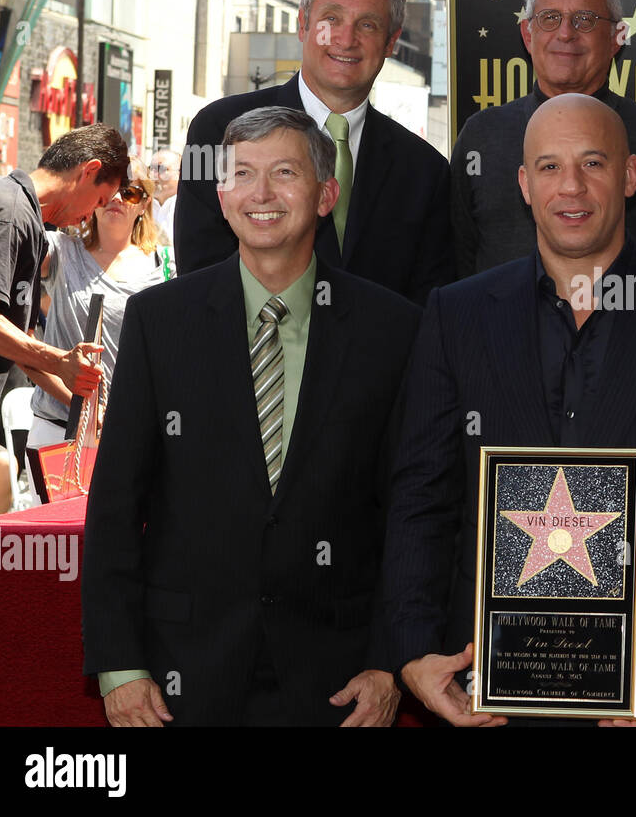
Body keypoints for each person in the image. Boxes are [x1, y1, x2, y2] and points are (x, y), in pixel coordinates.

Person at [384, 94, 636, 727]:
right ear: (522, 184)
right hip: (483, 688)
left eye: (594, 163)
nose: (571, 186)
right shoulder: (456, 316)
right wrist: (414, 652)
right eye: (548, 166)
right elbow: (420, 498)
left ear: (630, 176)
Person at [82, 107, 422, 726]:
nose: (261, 194)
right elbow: (114, 505)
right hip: (182, 676)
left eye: (285, 172)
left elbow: (411, 510)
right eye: (243, 174)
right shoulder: (160, 323)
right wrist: (120, 666)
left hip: (339, 684)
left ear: (325, 195)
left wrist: (389, 661)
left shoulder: (392, 329)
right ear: (221, 195)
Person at [173, 0, 452, 306]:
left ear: (391, 42)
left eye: (367, 25)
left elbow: (427, 304)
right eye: (331, 20)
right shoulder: (216, 130)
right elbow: (199, 270)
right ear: (303, 24)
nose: (346, 39)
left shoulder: (424, 170)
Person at [450, 0, 636, 278]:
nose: (566, 34)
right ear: (528, 35)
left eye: (584, 19)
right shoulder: (481, 135)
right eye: (550, 18)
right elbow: (457, 262)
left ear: (616, 37)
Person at [0, 124, 127, 518]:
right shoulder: (9, 210)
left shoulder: (27, 220)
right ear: (88, 171)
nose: (90, 215)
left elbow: (18, 343)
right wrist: (60, 360)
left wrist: (87, 410)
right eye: (99, 199)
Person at [27, 157, 171, 460]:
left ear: (144, 204)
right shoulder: (60, 250)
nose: (118, 199)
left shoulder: (165, 266)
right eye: (110, 189)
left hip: (132, 431)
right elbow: (21, 225)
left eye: (130, 192)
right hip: (57, 427)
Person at [148, 147, 181, 249]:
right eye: (151, 168)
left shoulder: (191, 209)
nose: (153, 175)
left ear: (180, 174)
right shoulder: (139, 206)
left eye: (161, 169)